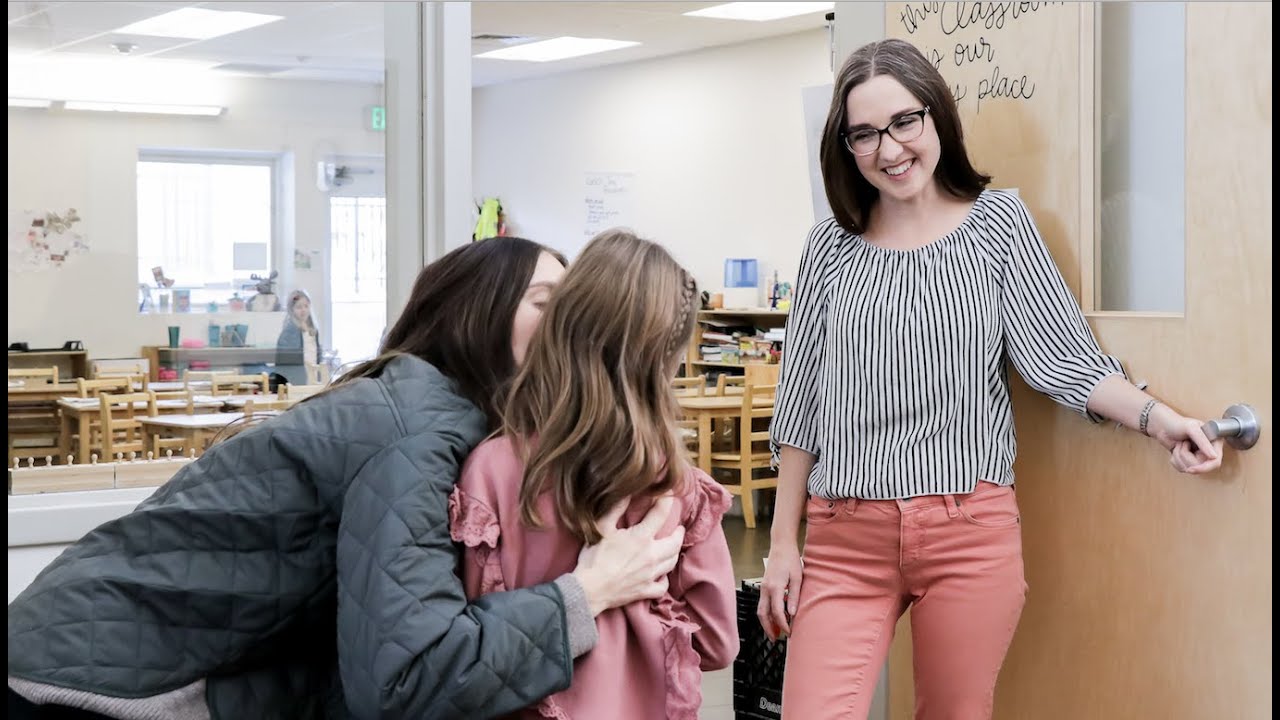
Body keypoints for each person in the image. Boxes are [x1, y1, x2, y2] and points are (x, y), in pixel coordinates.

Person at [8, 237, 688, 720]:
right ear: (476, 315)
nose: (572, 321)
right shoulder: (414, 434)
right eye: (548, 301)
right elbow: (409, 677)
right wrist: (588, 592)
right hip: (87, 685)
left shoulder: (422, 413)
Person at [757, 39, 1223, 720]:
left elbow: (1062, 359)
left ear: (936, 116)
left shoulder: (1000, 226)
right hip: (845, 538)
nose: (888, 150)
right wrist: (779, 545)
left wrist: (1160, 420)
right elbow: (800, 403)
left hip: (966, 532)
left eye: (903, 123)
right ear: (846, 146)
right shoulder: (830, 243)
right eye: (864, 134)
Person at [450, 230, 738, 719]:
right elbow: (716, 643)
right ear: (664, 365)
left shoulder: (489, 470)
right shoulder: (677, 487)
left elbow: (479, 639)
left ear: (562, 325)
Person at [274, 289, 322, 386]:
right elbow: (286, 361)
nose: (303, 310)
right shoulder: (289, 332)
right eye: (299, 307)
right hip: (298, 378)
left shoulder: (312, 330)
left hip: (313, 374)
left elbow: (317, 355)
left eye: (306, 306)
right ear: (292, 310)